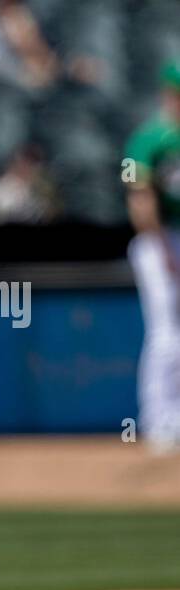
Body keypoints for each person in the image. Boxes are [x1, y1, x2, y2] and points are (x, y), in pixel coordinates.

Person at [124, 61, 180, 454]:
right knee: (166, 332)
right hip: (156, 240)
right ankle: (158, 421)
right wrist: (164, 253)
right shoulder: (148, 139)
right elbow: (140, 202)